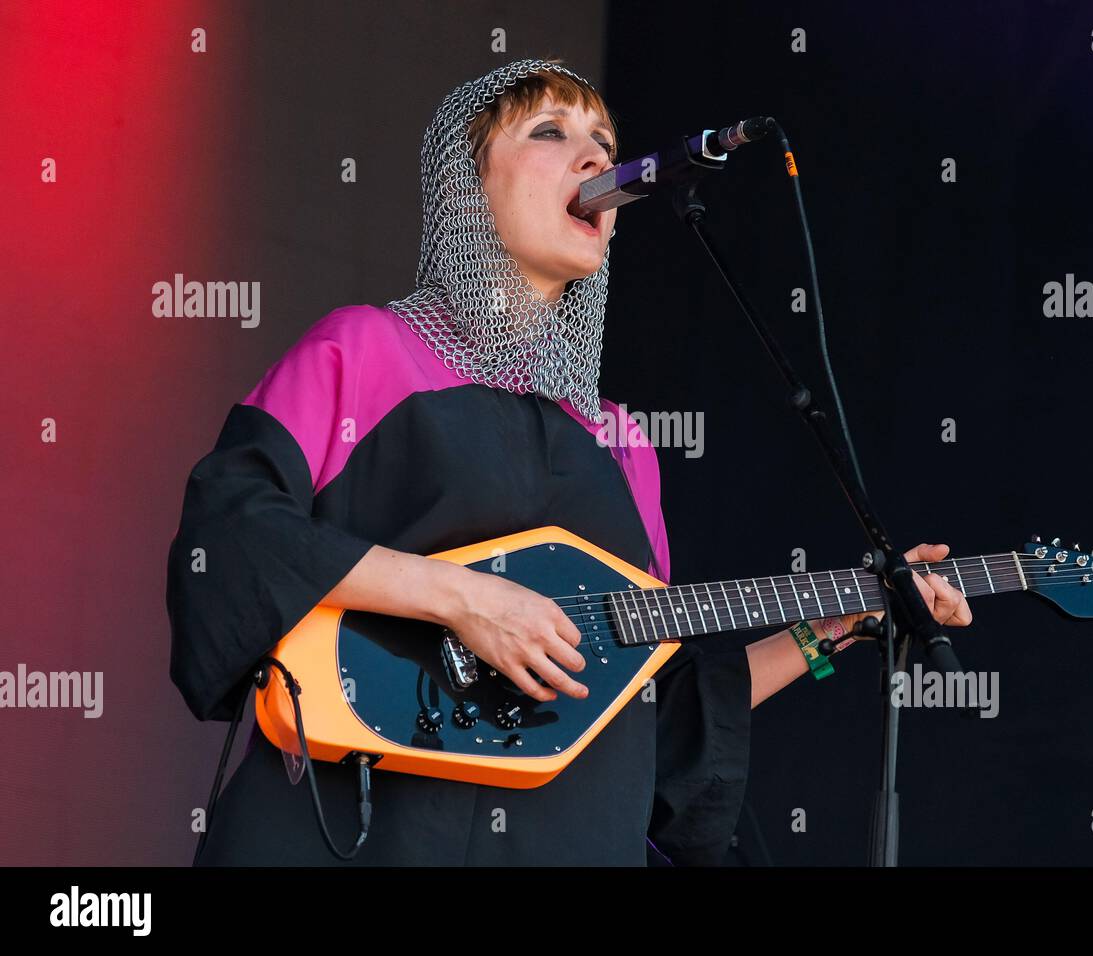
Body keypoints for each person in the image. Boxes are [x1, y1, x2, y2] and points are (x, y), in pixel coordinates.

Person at [165, 58, 972, 867]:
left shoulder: (623, 442)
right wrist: (460, 599)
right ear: (461, 189)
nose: (596, 162)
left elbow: (651, 704)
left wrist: (837, 628)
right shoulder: (365, 350)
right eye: (551, 132)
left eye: (604, 143)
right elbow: (231, 533)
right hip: (363, 830)